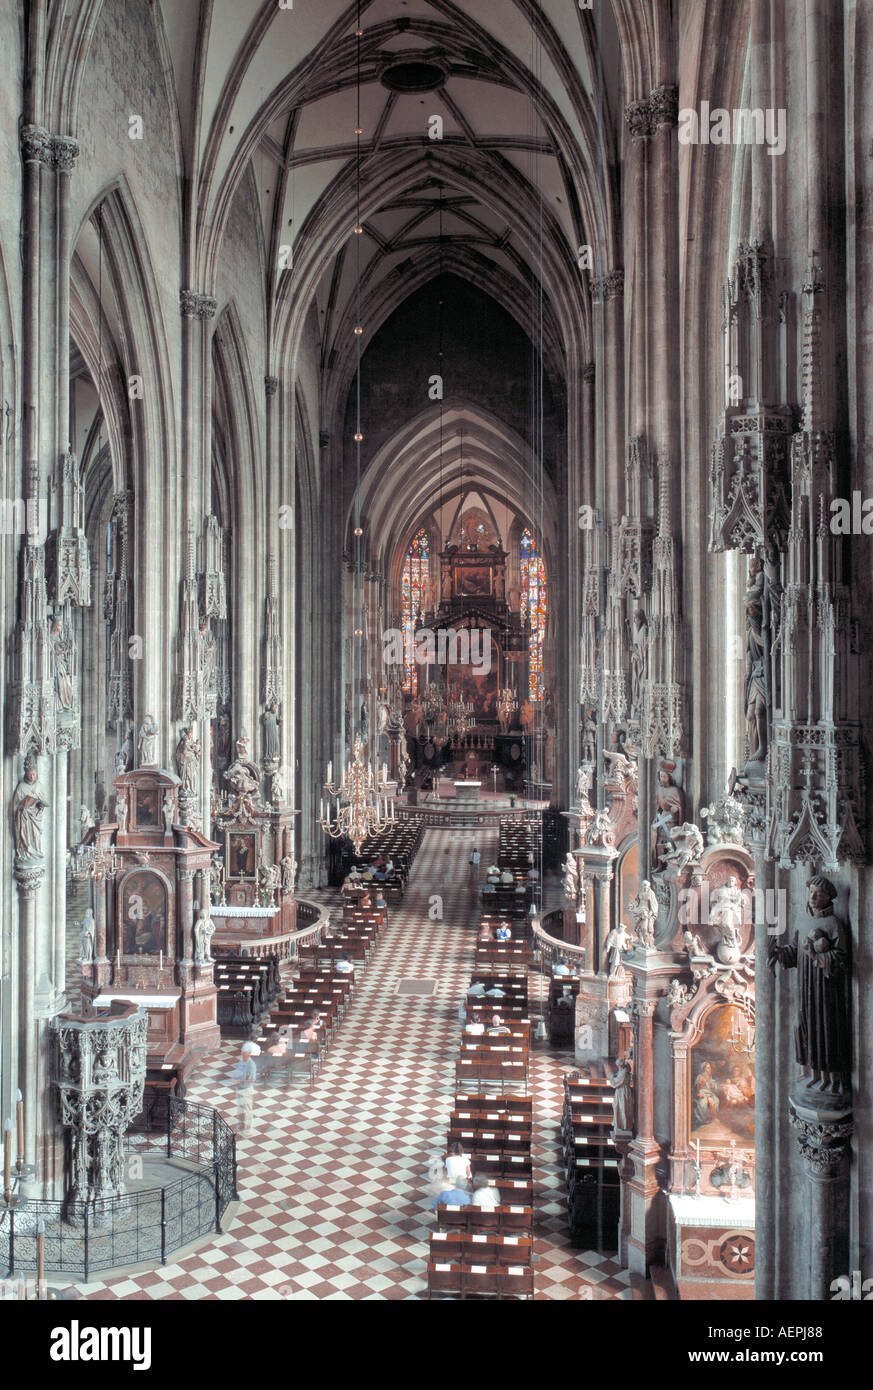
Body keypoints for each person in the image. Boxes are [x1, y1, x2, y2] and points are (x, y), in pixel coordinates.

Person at [234, 1041, 260, 1136]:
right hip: (240, 1089)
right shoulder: (242, 1062)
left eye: (243, 1052)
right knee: (240, 1109)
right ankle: (241, 1126)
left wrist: (240, 1081)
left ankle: (248, 1130)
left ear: (248, 1053)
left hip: (246, 1090)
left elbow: (252, 1080)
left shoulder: (251, 1065)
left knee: (247, 1111)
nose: (242, 1054)